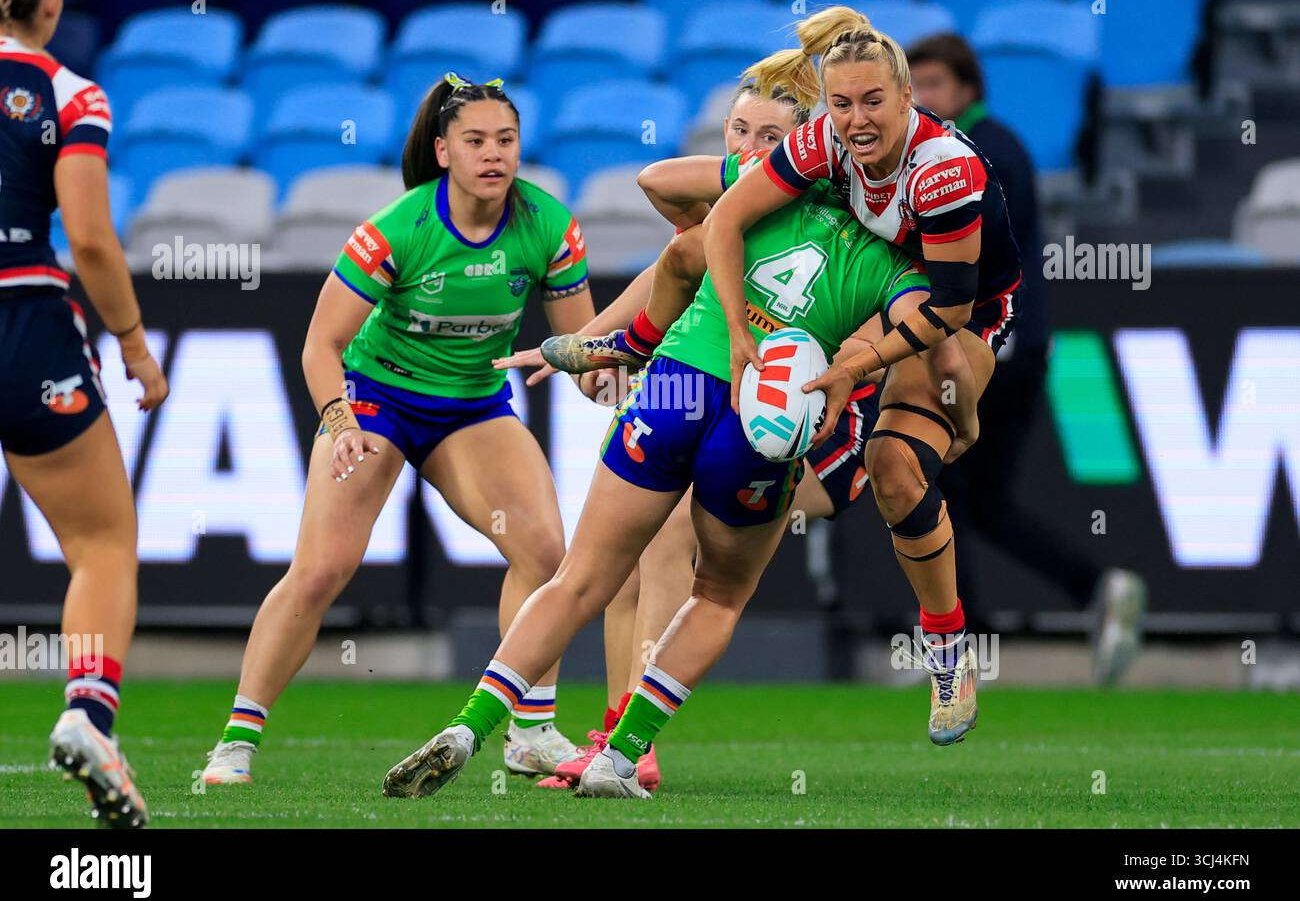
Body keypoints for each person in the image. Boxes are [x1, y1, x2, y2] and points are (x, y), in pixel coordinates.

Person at [381, 178, 930, 800]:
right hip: (766, 417)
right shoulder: (901, 264)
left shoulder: (763, 194)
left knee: (580, 578)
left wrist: (622, 345)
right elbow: (933, 328)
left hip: (676, 385)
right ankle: (624, 754)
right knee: (719, 596)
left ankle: (470, 726)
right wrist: (866, 364)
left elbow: (669, 224)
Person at [498, 86, 905, 790]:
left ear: (804, 147)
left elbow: (885, 333)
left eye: (769, 135)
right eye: (738, 130)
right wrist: (586, 345)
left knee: (664, 538)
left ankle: (633, 747)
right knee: (623, 559)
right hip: (736, 406)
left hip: (823, 429)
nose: (749, 148)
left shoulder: (836, 222)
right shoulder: (738, 214)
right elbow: (676, 269)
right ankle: (615, 735)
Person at [199, 74, 596, 786]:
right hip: (375, 401)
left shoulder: (550, 226)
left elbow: (583, 352)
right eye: (475, 141)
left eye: (506, 140)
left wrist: (612, 371)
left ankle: (531, 732)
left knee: (544, 551)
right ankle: (236, 741)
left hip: (471, 405)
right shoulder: (398, 228)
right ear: (443, 151)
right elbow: (319, 345)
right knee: (322, 570)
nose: (494, 155)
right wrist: (339, 420)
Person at [705, 5, 1029, 745]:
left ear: (908, 97)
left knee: (897, 469)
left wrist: (853, 362)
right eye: (842, 102)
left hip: (966, 304)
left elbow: (947, 308)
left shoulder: (944, 170)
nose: (856, 120)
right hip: (879, 284)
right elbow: (725, 219)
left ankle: (947, 650)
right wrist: (734, 332)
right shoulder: (821, 140)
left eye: (873, 101)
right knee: (695, 207)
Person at [907, 33, 1147, 683]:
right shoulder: (994, 146)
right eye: (916, 84)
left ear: (966, 89)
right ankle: (1094, 586)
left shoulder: (970, 152)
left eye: (934, 83)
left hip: (993, 348)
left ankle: (961, 647)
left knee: (932, 485)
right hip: (1018, 343)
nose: (923, 96)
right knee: (977, 500)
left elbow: (970, 255)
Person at [1, 0, 169, 828]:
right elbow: (93, 238)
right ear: (51, 3)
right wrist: (134, 345)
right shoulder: (69, 93)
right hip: (26, 319)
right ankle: (88, 717)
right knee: (101, 542)